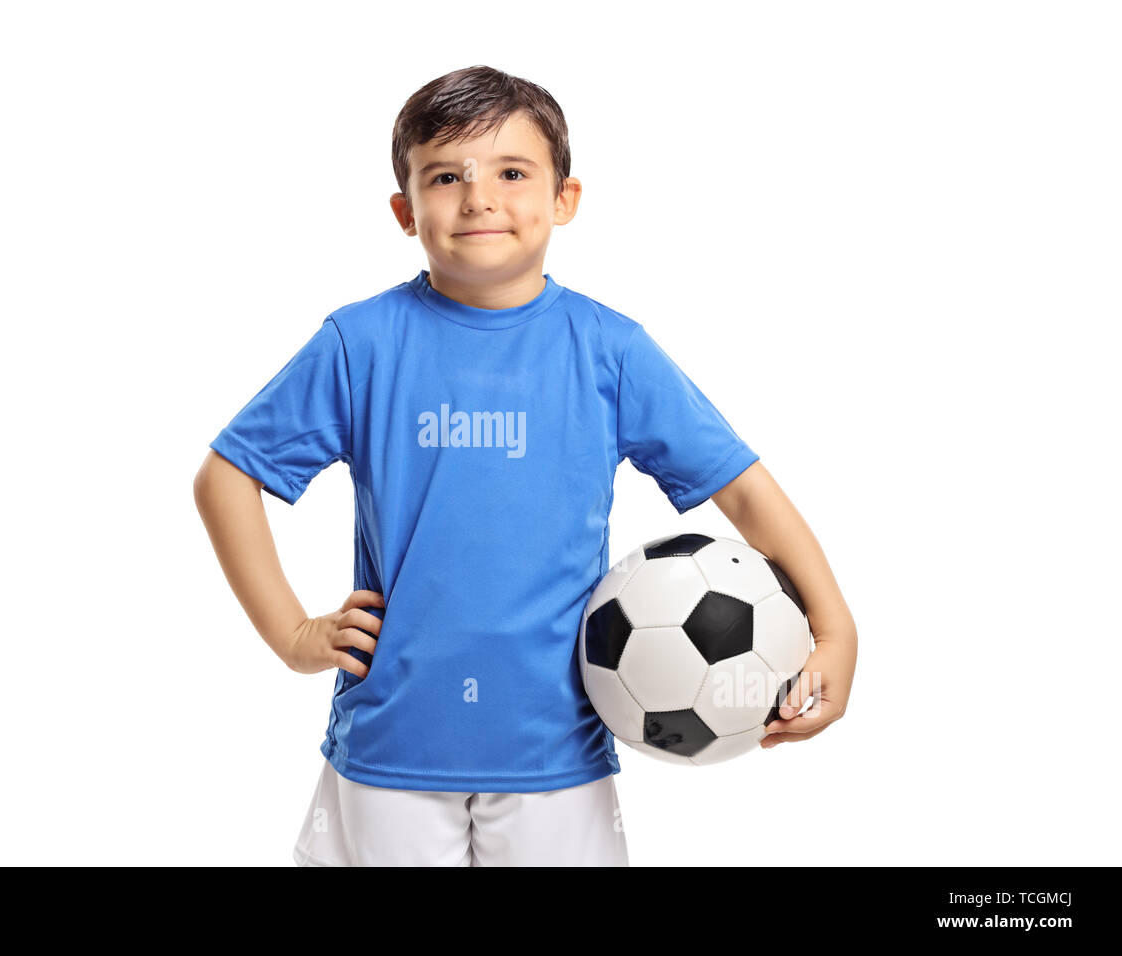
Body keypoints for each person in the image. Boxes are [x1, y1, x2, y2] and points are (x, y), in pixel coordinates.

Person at [193, 65, 858, 867]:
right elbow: (227, 476)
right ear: (406, 212)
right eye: (447, 176)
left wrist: (835, 627)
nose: (479, 198)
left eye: (511, 172)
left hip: (558, 753)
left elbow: (745, 492)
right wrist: (294, 635)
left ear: (565, 200)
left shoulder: (609, 351)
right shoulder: (361, 344)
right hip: (393, 746)